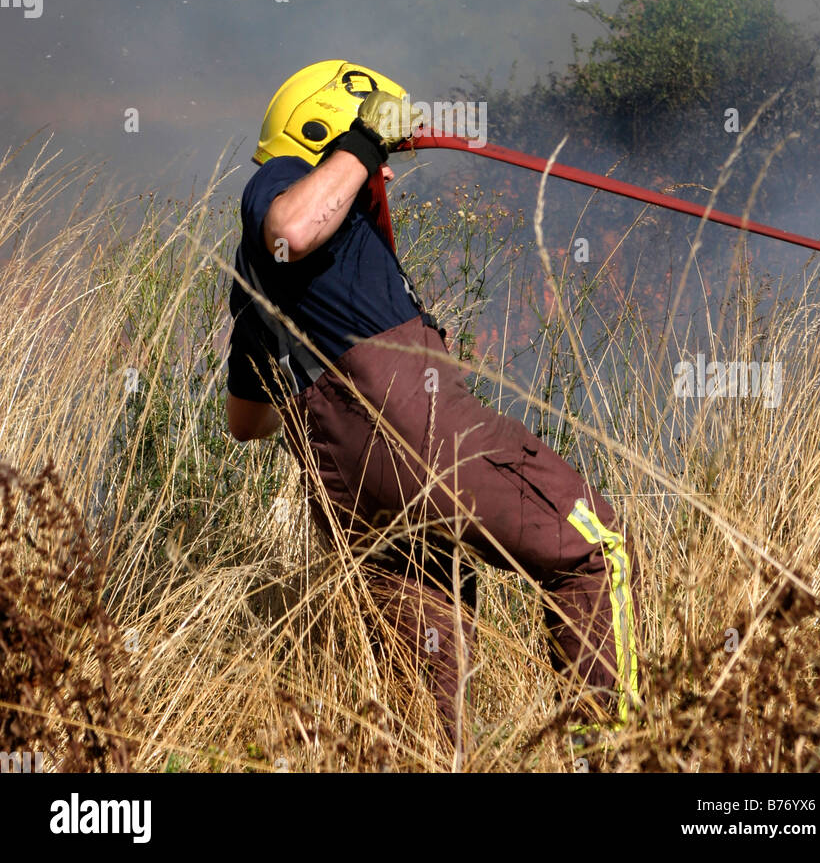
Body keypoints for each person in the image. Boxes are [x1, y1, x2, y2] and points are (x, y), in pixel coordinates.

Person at [226, 59, 639, 746]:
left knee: (424, 680)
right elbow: (295, 228)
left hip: (347, 496)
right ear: (324, 133)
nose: (382, 173)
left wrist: (320, 377)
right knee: (592, 547)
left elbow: (247, 423)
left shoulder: (254, 281)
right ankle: (614, 760)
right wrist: (361, 145)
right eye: (375, 155)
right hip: (419, 439)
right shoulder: (277, 191)